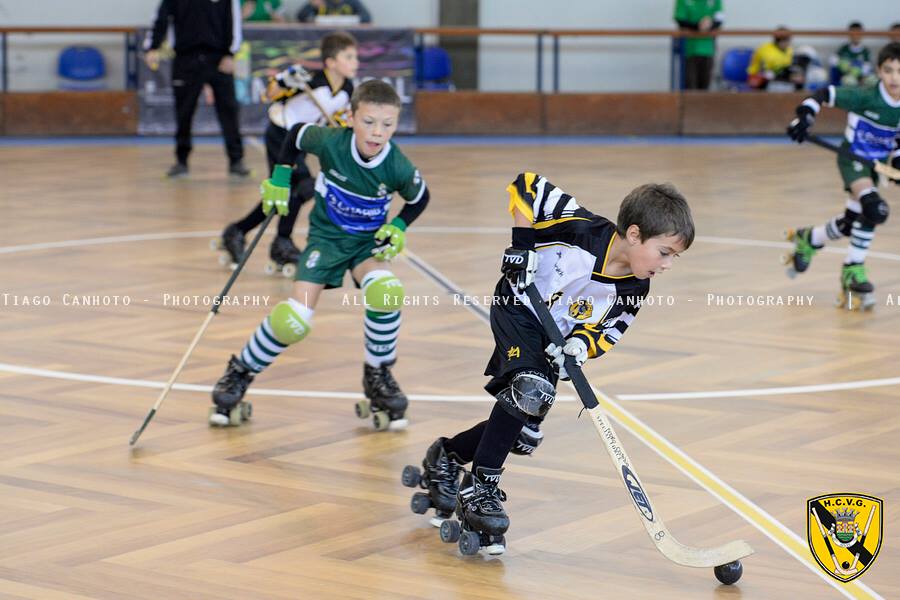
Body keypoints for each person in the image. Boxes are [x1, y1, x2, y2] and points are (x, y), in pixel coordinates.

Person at [404, 173, 694, 554]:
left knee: (522, 433)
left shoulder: (636, 287)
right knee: (531, 390)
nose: (668, 264)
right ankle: (480, 491)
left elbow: (608, 330)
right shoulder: (582, 228)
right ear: (635, 234)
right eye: (665, 252)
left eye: (674, 257)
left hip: (555, 336)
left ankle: (446, 456)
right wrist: (522, 247)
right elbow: (527, 186)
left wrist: (580, 345)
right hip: (519, 306)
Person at [209, 80, 429, 430]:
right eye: (369, 121)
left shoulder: (397, 165)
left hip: (366, 244)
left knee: (387, 293)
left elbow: (420, 198)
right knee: (293, 320)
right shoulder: (330, 142)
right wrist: (280, 178)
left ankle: (378, 374)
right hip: (325, 240)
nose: (378, 132)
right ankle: (239, 372)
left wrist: (399, 225)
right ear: (351, 118)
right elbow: (295, 134)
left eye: (387, 124)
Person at [218, 32, 358, 273]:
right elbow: (269, 95)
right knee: (302, 185)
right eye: (349, 57)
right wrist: (284, 81)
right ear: (330, 62)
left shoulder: (347, 88)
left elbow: (338, 121)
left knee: (286, 193)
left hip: (301, 141)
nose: (355, 62)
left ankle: (239, 231)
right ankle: (281, 241)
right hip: (281, 135)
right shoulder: (310, 80)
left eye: (355, 57)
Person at [785, 42, 900, 311]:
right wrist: (805, 116)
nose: (895, 78)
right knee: (874, 209)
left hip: (876, 165)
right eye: (888, 70)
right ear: (878, 71)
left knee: (851, 222)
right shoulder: (866, 96)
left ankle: (810, 239)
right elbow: (823, 94)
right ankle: (853, 269)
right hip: (853, 159)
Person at [145, 0, 251, 178]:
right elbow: (161, 18)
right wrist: (153, 47)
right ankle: (181, 161)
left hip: (218, 59)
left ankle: (236, 160)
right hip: (185, 59)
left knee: (229, 111)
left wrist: (230, 54)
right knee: (183, 113)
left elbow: (234, 22)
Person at [673, 0, 724, 90]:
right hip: (689, 49)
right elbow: (680, 19)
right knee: (690, 85)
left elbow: (719, 19)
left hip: (708, 48)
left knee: (705, 86)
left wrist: (710, 24)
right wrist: (698, 26)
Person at [831, 22, 876, 87]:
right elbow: (833, 61)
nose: (855, 36)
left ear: (862, 34)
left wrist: (857, 69)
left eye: (858, 33)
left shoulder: (866, 51)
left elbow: (867, 69)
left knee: (872, 80)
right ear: (849, 34)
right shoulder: (843, 49)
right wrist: (841, 64)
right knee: (849, 80)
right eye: (853, 33)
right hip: (845, 78)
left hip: (861, 80)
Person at [297, 0, 371, 24]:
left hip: (346, 34)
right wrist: (311, 5)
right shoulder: (320, 1)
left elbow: (366, 17)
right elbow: (300, 17)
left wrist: (348, 20)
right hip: (321, 34)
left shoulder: (351, 2)